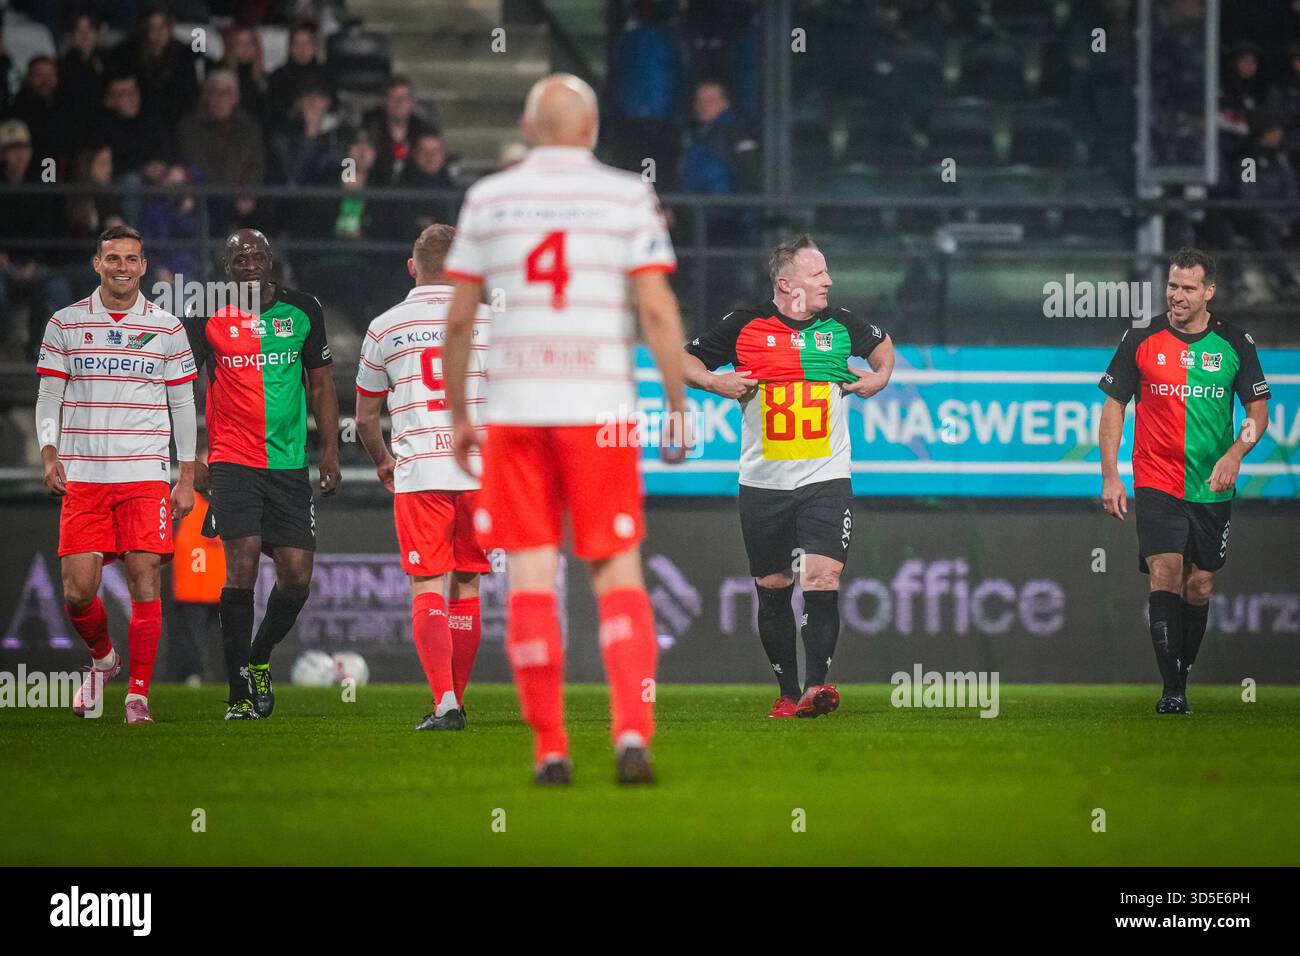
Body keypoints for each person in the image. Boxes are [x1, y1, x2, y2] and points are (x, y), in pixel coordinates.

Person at [441, 73, 689, 786]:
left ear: (527, 126)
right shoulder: (625, 193)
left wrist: (461, 413)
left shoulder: (489, 199)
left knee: (529, 577)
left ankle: (550, 748)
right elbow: (659, 311)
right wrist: (675, 405)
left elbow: (460, 319)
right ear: (590, 129)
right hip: (599, 413)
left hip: (516, 414)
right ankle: (631, 735)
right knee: (616, 571)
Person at [683, 234, 894, 719]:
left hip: (826, 477)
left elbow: (883, 346)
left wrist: (878, 379)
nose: (829, 281)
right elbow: (682, 358)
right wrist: (715, 381)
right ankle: (786, 690)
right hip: (764, 482)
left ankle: (815, 688)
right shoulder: (743, 326)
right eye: (818, 273)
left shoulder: (841, 325)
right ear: (786, 283)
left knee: (824, 576)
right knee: (774, 585)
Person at [34, 224, 198, 724]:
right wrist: (48, 451)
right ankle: (105, 660)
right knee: (77, 592)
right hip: (83, 475)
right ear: (97, 263)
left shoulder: (168, 327)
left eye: (131, 259)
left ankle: (138, 697)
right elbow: (49, 396)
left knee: (144, 577)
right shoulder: (64, 323)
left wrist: (185, 476)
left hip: (145, 475)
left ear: (144, 266)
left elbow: (183, 404)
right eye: (113, 258)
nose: (123, 267)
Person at [1099, 248, 1271, 715]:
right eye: (1172, 285)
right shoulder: (1141, 337)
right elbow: (1114, 405)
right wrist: (1111, 474)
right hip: (1156, 478)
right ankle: (1172, 690)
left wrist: (1237, 453)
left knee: (1199, 586)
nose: (1176, 295)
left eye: (1188, 288)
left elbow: (1258, 411)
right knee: (1166, 572)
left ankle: (1181, 676)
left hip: (1211, 485)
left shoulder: (1235, 343)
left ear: (1209, 291)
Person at [185, 229, 341, 720]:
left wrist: (332, 450)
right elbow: (183, 390)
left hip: (290, 463)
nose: (248, 262)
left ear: (271, 262)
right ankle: (237, 696)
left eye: (256, 255)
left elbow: (320, 385)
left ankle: (258, 658)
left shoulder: (303, 309)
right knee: (243, 565)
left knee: (296, 579)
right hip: (232, 461)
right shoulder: (206, 314)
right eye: (237, 256)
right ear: (225, 268)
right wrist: (194, 456)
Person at [355, 224, 491, 731]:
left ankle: (445, 702)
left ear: (413, 268)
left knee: (427, 583)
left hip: (420, 472)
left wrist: (382, 461)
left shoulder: (385, 326)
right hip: (479, 471)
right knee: (468, 584)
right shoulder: (489, 321)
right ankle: (456, 699)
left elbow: (366, 417)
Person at [169, 481, 225, 685]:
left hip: (221, 589)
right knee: (193, 641)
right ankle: (194, 676)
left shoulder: (226, 500)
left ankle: (231, 677)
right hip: (192, 588)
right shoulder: (184, 500)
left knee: (227, 639)